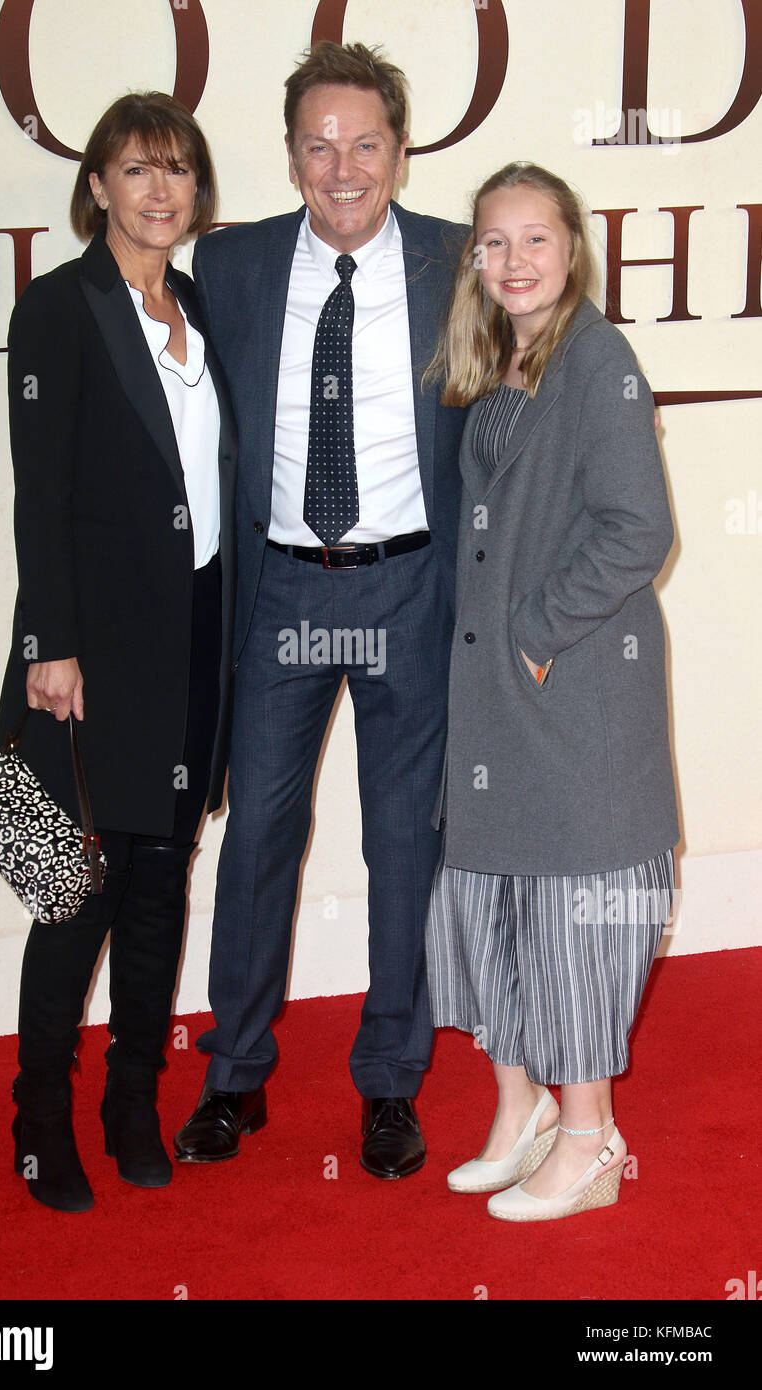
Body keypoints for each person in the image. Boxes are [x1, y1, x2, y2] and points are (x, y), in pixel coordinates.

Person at [173, 41, 469, 1178]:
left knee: (404, 845)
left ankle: (389, 1082)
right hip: (284, 588)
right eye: (317, 145)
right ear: (290, 157)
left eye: (362, 143)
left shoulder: (456, 260)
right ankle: (234, 1076)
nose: (340, 167)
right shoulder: (231, 265)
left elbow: (532, 375)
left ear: (398, 149)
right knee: (257, 838)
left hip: (409, 586)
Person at [0, 92, 236, 1211]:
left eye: (177, 169)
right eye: (136, 169)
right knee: (70, 890)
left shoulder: (197, 305)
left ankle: (131, 1101)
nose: (158, 190)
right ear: (96, 185)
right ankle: (39, 1117)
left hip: (189, 641)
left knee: (156, 886)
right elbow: (37, 491)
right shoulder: (57, 309)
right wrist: (50, 642)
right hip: (86, 653)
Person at [425, 161, 680, 1220]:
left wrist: (532, 633)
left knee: (572, 910)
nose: (514, 259)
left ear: (570, 250)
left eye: (535, 238)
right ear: (475, 261)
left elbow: (640, 529)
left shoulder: (596, 358)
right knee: (494, 896)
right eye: (493, 241)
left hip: (571, 690)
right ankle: (519, 1107)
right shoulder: (498, 360)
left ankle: (589, 1142)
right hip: (497, 697)